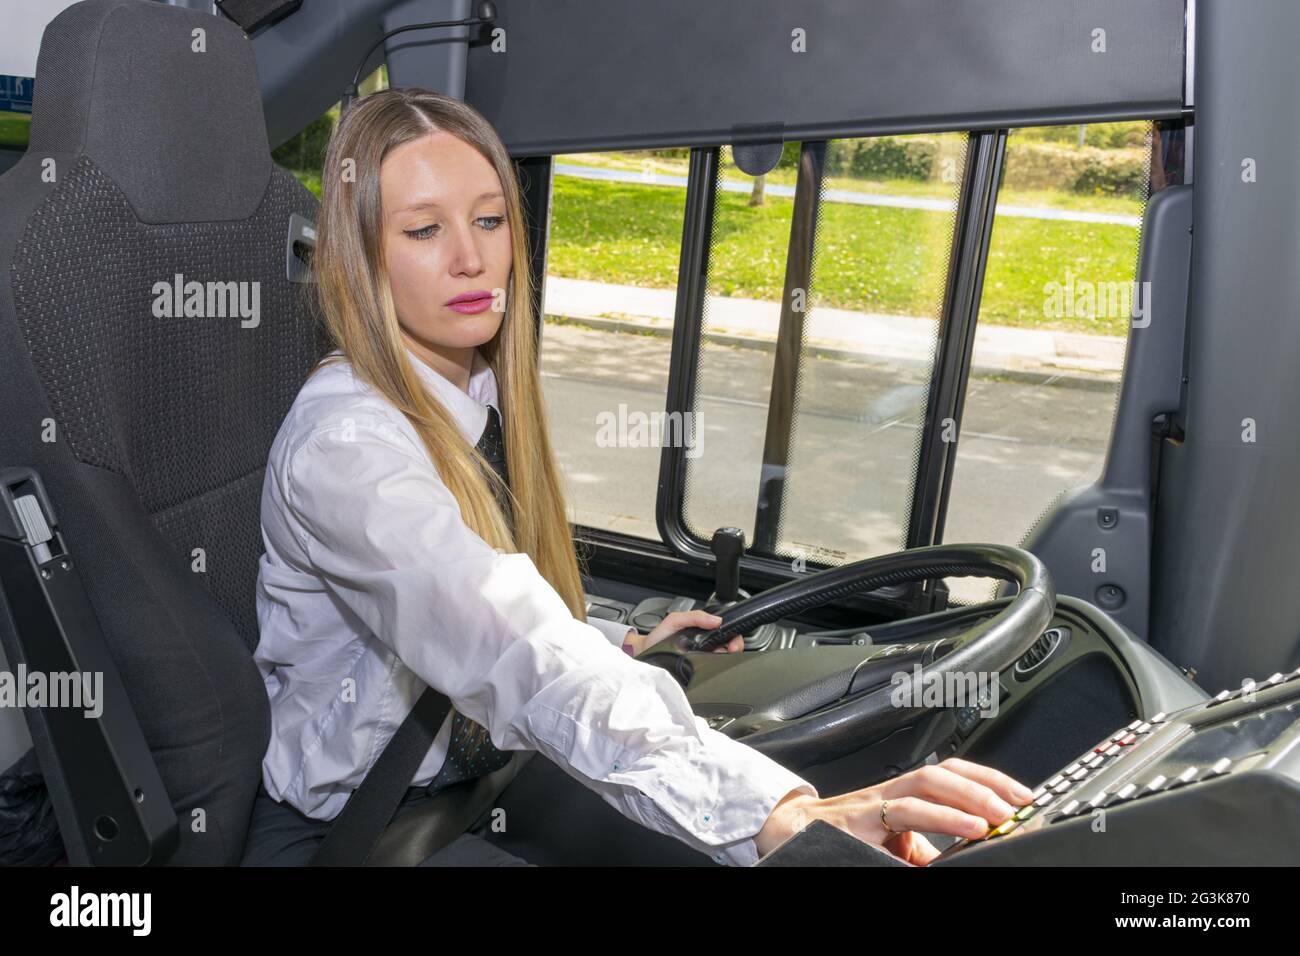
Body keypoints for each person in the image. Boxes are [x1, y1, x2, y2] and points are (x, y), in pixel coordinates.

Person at [242, 87, 1034, 867]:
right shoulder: (346, 447)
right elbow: (503, 640)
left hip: (471, 786)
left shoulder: (469, 394)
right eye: (424, 229)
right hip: (358, 830)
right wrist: (782, 817)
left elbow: (485, 594)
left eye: (489, 219)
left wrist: (617, 639)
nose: (473, 257)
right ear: (360, 256)